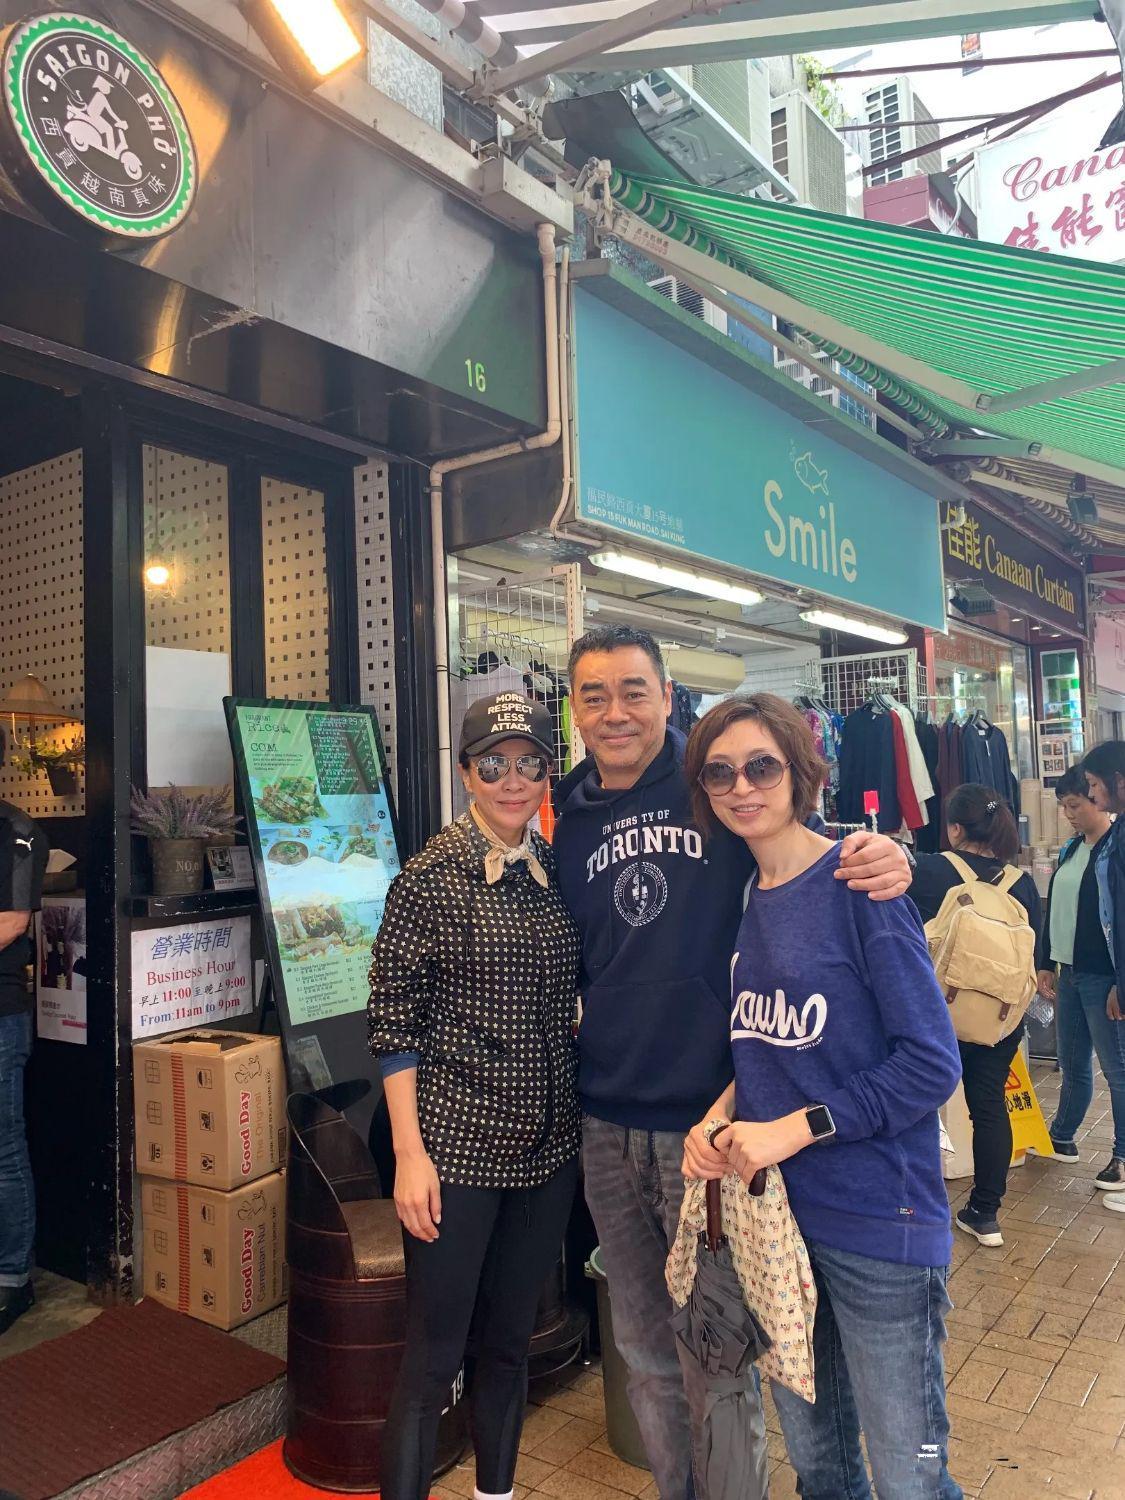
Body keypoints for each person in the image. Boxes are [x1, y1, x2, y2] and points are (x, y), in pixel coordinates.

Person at [552, 625, 912, 1500]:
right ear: (575, 709)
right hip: (606, 1118)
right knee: (642, 1352)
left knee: (717, 1350)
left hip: (712, 1128)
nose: (614, 712)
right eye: (593, 695)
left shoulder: (713, 782)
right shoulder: (565, 815)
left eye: (633, 690)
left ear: (667, 696)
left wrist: (895, 857)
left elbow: (804, 851)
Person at [683, 693, 963, 1500]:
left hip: (879, 1219)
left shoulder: (858, 886)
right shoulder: (747, 895)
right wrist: (724, 1114)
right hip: (780, 1229)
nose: (742, 786)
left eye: (761, 766)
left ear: (800, 772)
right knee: (819, 1464)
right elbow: (771, 1043)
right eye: (720, 771)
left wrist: (792, 1131)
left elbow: (928, 1064)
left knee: (910, 1473)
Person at [368, 693, 581, 1500]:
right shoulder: (428, 878)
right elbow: (392, 1022)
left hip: (549, 1147)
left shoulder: (554, 869)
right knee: (432, 1356)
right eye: (493, 763)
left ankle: (496, 1493)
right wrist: (409, 1156)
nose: (512, 780)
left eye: (529, 763)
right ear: (465, 773)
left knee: (508, 1345)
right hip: (454, 1148)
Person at [910, 784, 1041, 1248]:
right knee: (988, 1107)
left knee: (914, 1105)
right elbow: (1034, 955)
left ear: (955, 828)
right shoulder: (1021, 882)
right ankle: (984, 1212)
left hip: (931, 1012)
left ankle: (913, 1205)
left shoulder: (927, 870)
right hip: (997, 1020)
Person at [1036, 767, 1122, 1186]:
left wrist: (1118, 982)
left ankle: (1121, 1158)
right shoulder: (1071, 849)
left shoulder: (1115, 850)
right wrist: (1045, 961)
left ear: (1098, 800)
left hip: (1101, 978)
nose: (1069, 814)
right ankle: (1062, 1136)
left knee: (1116, 1070)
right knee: (1072, 1063)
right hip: (1067, 971)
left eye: (1076, 805)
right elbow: (1055, 910)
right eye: (1064, 807)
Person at [0, 738, 48, 1336]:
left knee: (3, 1151)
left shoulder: (17, 830)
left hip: (1, 1014)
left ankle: (13, 1278)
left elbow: (11, 923)